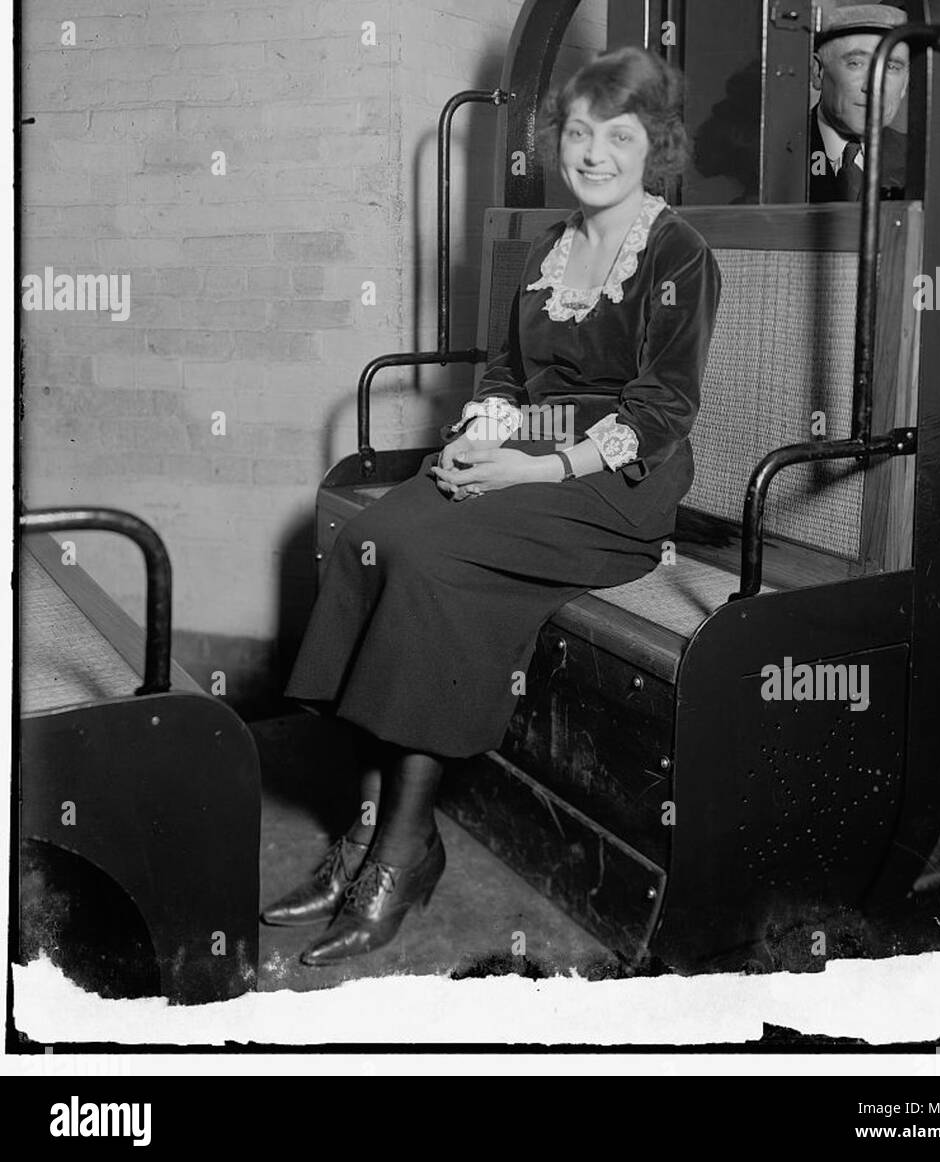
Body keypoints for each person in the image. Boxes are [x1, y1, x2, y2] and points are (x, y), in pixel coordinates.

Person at [261, 47, 722, 966]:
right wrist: (480, 436)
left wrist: (528, 470)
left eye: (618, 137)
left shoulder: (678, 254)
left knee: (434, 562)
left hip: (617, 489)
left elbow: (662, 414)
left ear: (653, 147)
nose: (594, 154)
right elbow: (508, 373)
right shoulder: (554, 246)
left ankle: (405, 850)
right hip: (526, 461)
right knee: (376, 533)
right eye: (580, 133)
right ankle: (360, 830)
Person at [809, 2, 940, 376]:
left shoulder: (938, 165)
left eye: (893, 67)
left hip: (903, 372)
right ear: (817, 72)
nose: (875, 84)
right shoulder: (768, 161)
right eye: (856, 63)